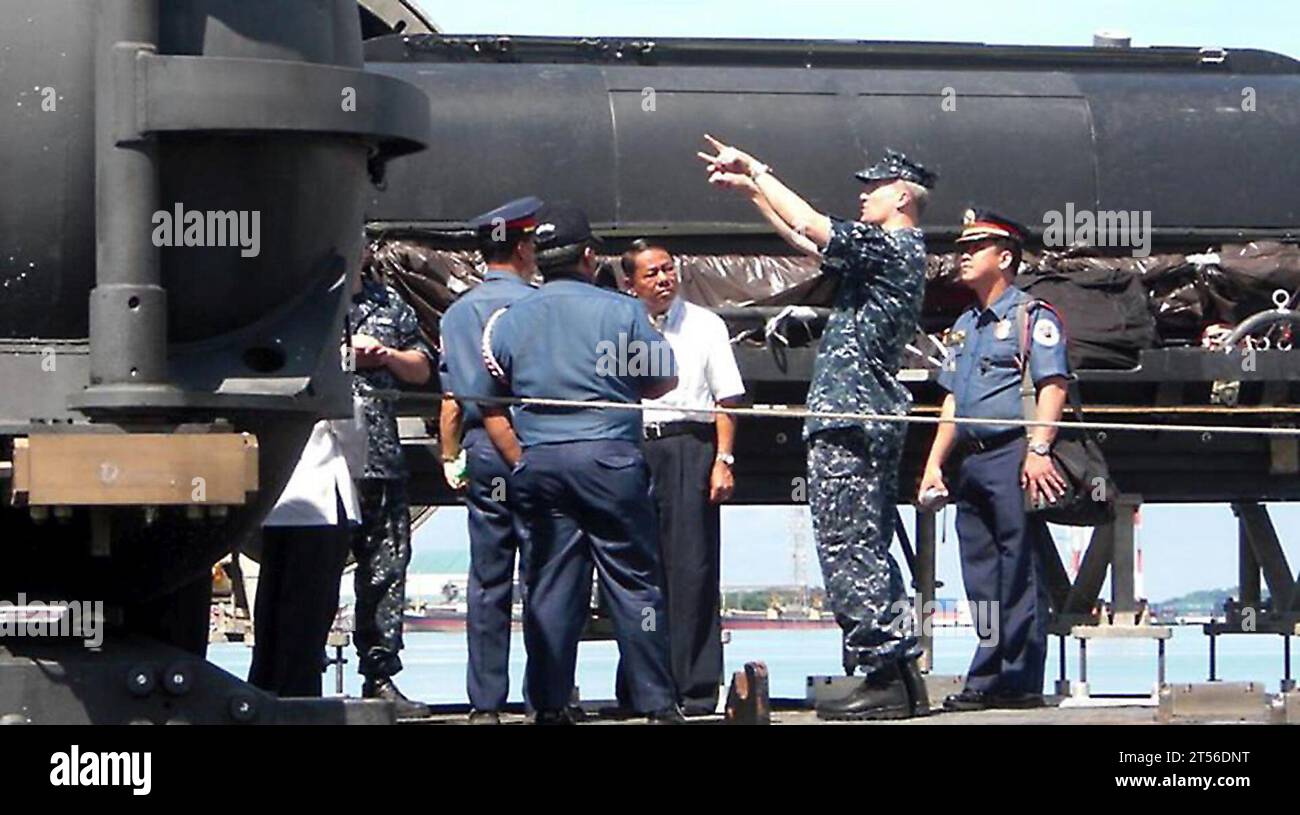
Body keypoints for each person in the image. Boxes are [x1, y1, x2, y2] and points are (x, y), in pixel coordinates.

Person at [699, 136, 935, 720]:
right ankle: (899, 674)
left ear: (903, 197)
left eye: (874, 187)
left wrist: (758, 167)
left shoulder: (891, 247)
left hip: (852, 414)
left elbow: (811, 222)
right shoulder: (885, 253)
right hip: (862, 411)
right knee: (866, 540)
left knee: (847, 543)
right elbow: (806, 241)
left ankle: (884, 673)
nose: (863, 195)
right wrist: (754, 194)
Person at [481, 203, 683, 725]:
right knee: (635, 585)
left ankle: (549, 705)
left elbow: (492, 390)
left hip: (541, 462)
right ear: (589, 257)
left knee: (549, 587)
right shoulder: (622, 312)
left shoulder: (508, 320)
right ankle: (657, 703)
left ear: (536, 256)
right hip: (609, 460)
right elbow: (664, 379)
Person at [919, 208, 1069, 711]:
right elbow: (952, 401)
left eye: (974, 248)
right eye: (961, 249)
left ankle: (1016, 680)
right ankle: (989, 676)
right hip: (971, 461)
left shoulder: (1032, 317)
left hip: (1012, 454)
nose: (962, 256)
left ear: (1004, 258)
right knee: (980, 575)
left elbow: (1053, 385)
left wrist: (1039, 449)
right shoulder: (965, 325)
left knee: (1018, 569)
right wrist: (934, 464)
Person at [617, 240, 744, 715]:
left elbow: (727, 398)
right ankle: (642, 686)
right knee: (636, 571)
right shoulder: (619, 325)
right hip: (633, 445)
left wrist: (723, 460)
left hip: (688, 445)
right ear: (630, 283)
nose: (663, 279)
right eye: (651, 273)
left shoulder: (705, 325)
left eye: (668, 269)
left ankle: (695, 688)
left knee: (692, 568)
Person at [438, 196, 541, 724]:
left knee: (488, 579)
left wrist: (449, 454)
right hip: (541, 445)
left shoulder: (457, 313)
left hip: (484, 450)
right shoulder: (543, 306)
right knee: (547, 576)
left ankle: (485, 704)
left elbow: (452, 398)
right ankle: (547, 697)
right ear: (523, 248)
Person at [349, 250, 436, 718]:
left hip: (381, 459)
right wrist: (348, 355)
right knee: (308, 571)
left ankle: (379, 674)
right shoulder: (311, 301)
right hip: (323, 462)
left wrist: (385, 355)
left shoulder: (389, 304)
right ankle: (294, 673)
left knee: (386, 569)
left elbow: (421, 368)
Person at [249, 417, 359, 698]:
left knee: (272, 605)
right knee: (310, 612)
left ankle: (264, 688)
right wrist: (356, 469)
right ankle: (299, 693)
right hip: (320, 496)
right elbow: (350, 426)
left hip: (274, 497)